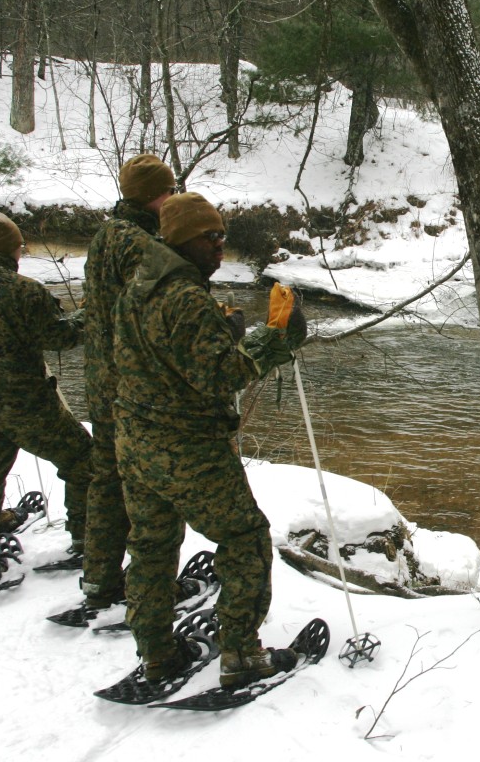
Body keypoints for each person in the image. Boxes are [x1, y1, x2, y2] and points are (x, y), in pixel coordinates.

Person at [111, 192, 299, 687]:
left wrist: (223, 330)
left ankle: (156, 654)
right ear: (178, 240)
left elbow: (156, 361)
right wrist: (274, 340)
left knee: (151, 546)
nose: (219, 245)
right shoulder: (185, 299)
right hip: (186, 448)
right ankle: (241, 653)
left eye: (222, 236)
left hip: (135, 442)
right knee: (245, 539)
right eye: (208, 237)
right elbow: (220, 376)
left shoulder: (137, 290)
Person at [0, 213, 93, 600]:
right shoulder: (26, 291)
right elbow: (57, 338)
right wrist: (86, 319)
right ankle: (86, 541)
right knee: (83, 460)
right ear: (14, 249)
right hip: (29, 407)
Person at [78, 154, 175, 612]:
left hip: (100, 381)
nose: (173, 198)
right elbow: (156, 315)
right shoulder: (137, 243)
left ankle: (98, 577)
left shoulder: (104, 235)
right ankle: (147, 593)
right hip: (131, 387)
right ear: (157, 195)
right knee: (144, 492)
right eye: (170, 191)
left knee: (106, 480)